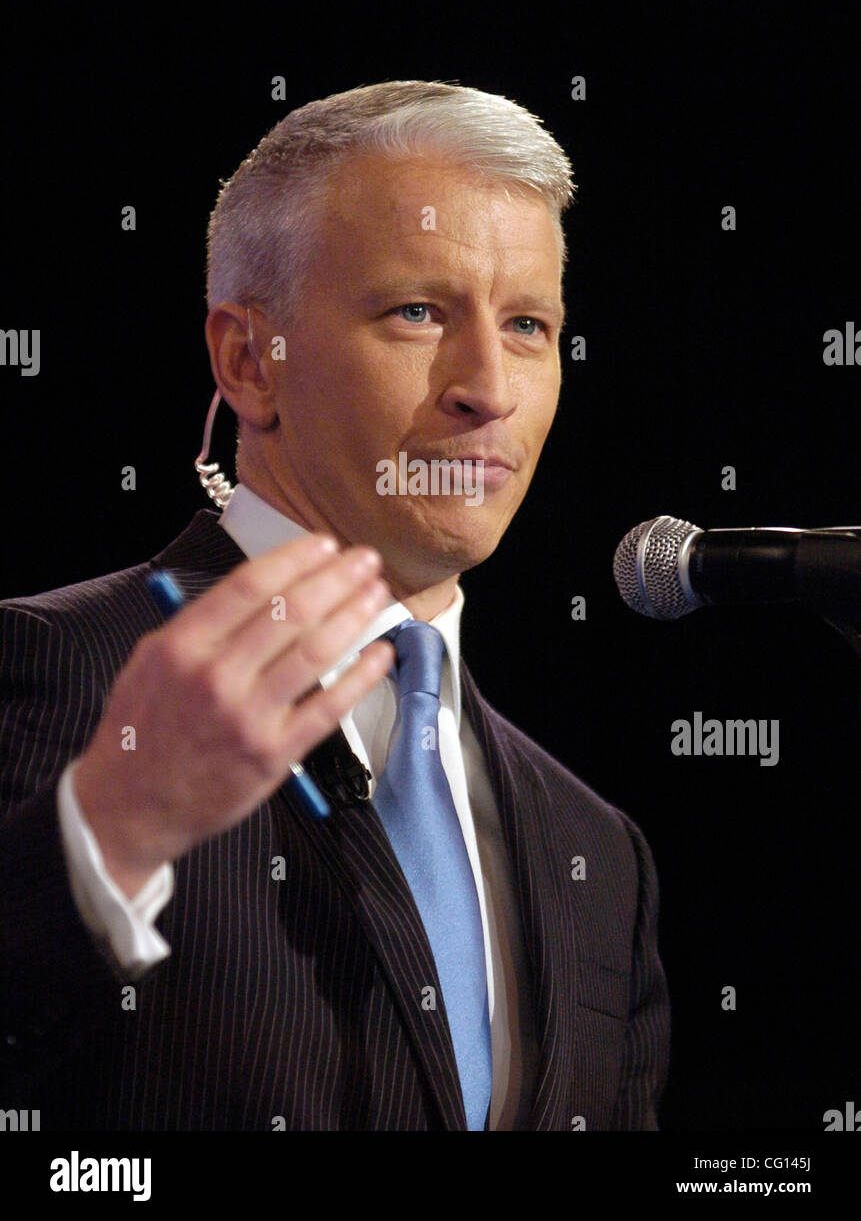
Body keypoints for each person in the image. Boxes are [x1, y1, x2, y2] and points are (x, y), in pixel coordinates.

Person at [0, 80, 670, 1130]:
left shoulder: (596, 850)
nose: (488, 386)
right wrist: (113, 828)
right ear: (248, 362)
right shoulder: (51, 672)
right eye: (418, 312)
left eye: (529, 324)